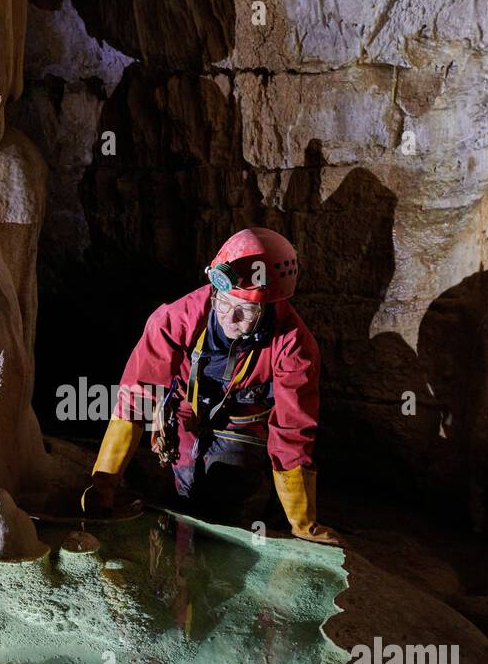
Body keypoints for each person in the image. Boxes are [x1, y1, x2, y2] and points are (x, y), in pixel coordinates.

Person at [82, 227, 340, 544]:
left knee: (225, 501)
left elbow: (292, 430)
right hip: (187, 413)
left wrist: (302, 521)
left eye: (247, 310)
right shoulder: (177, 318)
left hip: (242, 423)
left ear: (271, 307)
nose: (231, 317)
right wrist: (105, 482)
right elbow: (136, 397)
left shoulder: (294, 347)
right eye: (224, 302)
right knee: (185, 494)